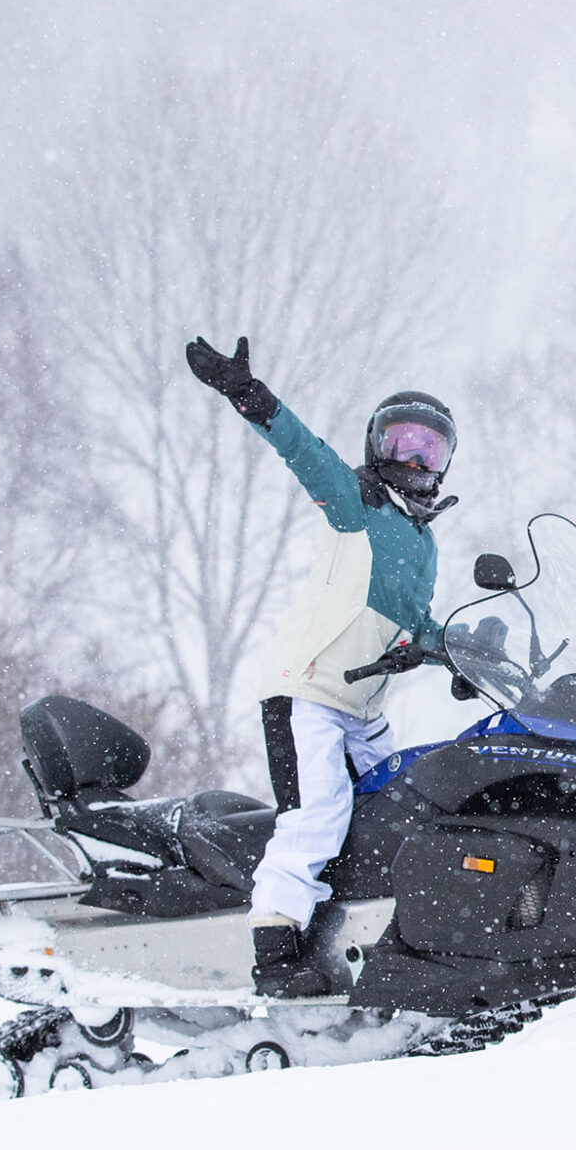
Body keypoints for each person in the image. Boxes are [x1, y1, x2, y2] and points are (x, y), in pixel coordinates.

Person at [184, 333, 456, 997]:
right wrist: (248, 395)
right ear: (376, 447)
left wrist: (457, 646)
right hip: (307, 692)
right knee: (320, 812)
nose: (416, 458)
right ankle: (275, 950)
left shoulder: (424, 543)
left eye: (431, 448)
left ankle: (381, 925)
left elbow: (411, 622)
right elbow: (303, 452)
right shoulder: (356, 504)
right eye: (403, 443)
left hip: (361, 708)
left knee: (405, 800)